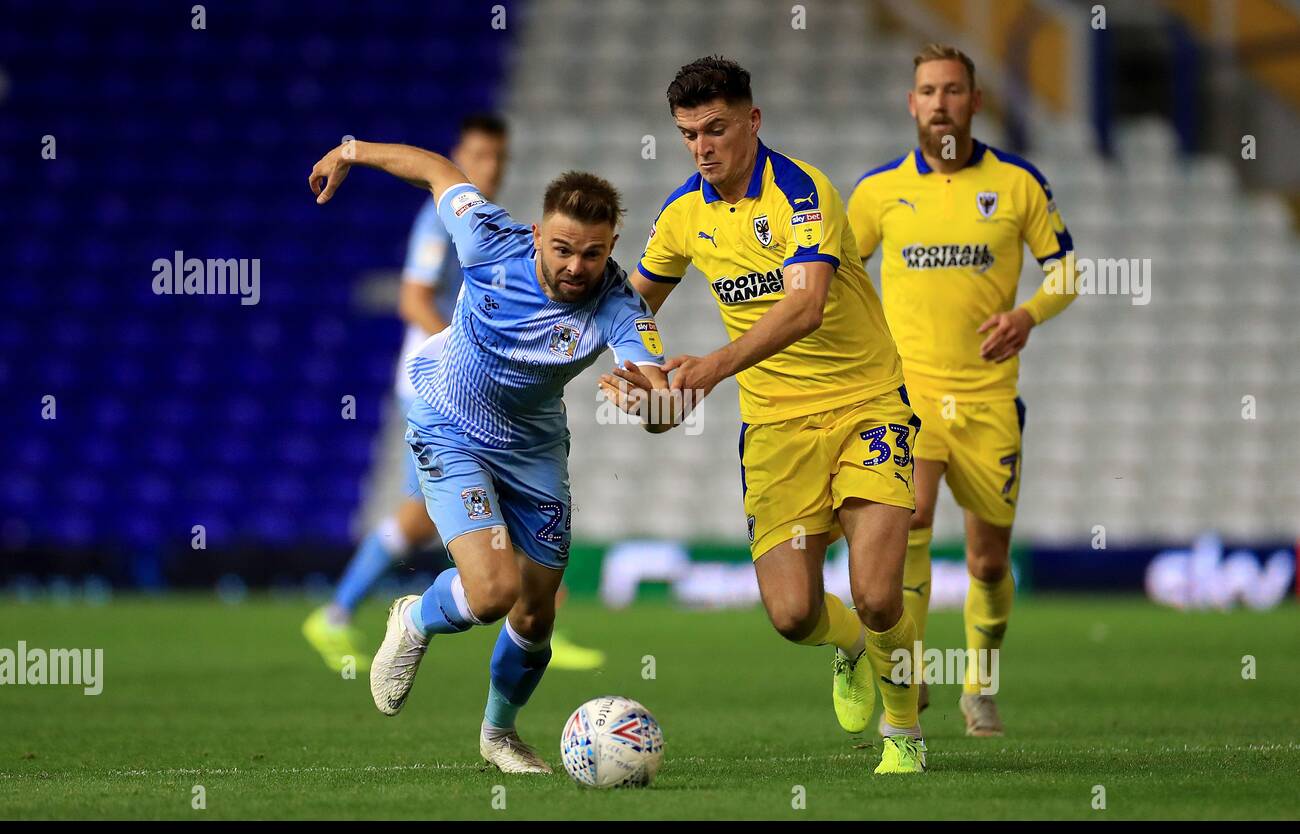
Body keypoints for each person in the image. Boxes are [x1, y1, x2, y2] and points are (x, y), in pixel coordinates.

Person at [308, 138, 679, 772]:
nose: (575, 267)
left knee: (535, 618)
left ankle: (498, 735)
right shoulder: (488, 239)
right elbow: (434, 170)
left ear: (612, 248)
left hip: (533, 452)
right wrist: (351, 151)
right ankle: (415, 618)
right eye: (562, 249)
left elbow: (662, 400)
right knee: (491, 594)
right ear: (537, 235)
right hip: (449, 424)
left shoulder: (621, 306)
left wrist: (647, 403)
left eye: (592, 254)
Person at [626, 56, 926, 774]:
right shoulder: (681, 215)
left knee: (878, 591)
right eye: (689, 134)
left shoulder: (801, 192)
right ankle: (852, 648)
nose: (702, 147)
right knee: (793, 616)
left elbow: (806, 305)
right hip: (775, 429)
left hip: (866, 405)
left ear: (752, 121)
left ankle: (905, 733)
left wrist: (708, 371)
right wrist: (641, 384)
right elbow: (628, 309)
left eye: (716, 129)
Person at [302, 115, 605, 674]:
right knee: (431, 518)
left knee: (424, 519)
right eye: (481, 156)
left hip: (468, 393)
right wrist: (476, 350)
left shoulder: (491, 229)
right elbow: (412, 298)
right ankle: (341, 613)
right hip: (441, 386)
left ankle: (532, 618)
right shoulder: (438, 222)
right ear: (461, 153)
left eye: (499, 157)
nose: (491, 167)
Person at [847, 44, 1078, 736]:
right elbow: (838, 276)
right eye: (928, 90)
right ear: (911, 104)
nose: (940, 101)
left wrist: (1026, 314)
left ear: (976, 101)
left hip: (988, 401)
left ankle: (979, 686)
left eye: (953, 89)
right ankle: (910, 676)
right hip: (911, 397)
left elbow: (1065, 271)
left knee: (986, 557)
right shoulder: (878, 192)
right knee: (910, 522)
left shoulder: (1017, 184)